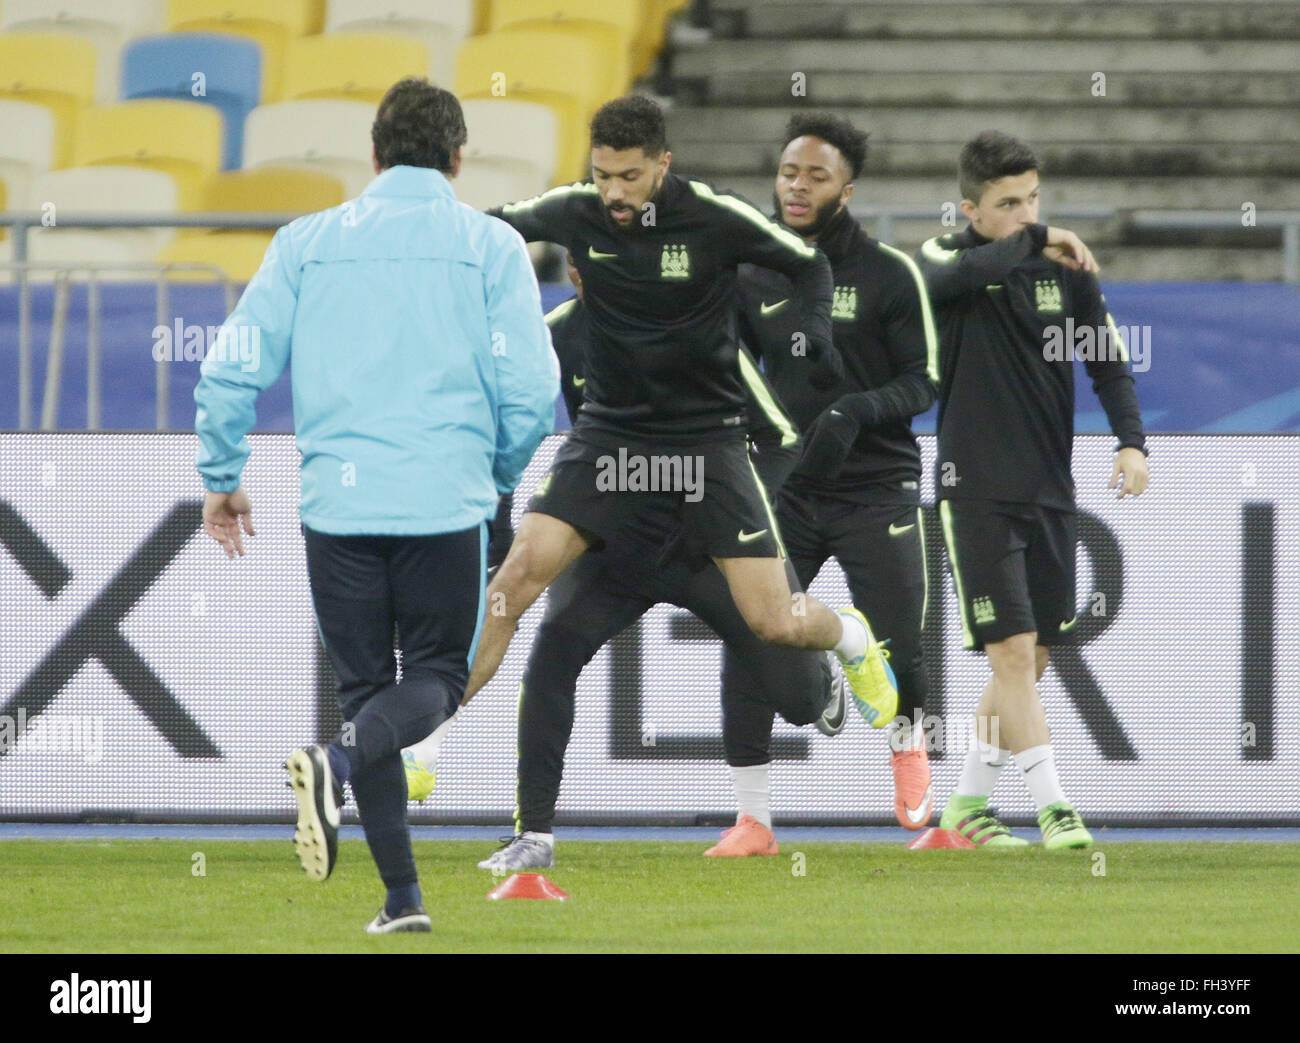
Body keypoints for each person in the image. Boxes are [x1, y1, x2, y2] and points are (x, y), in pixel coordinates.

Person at [194, 78, 558, 930]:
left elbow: (229, 368)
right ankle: (336, 766)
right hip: (443, 502)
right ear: (458, 158)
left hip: (336, 509)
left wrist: (222, 473)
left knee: (367, 694)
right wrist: (496, 475)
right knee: (436, 681)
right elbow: (533, 391)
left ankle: (402, 899)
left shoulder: (306, 241)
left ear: (373, 155)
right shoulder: (491, 245)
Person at [463, 95, 899, 754]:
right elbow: (486, 231)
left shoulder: (714, 216)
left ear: (662, 165)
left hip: (708, 444)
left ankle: (849, 636)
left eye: (629, 177)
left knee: (774, 620)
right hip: (608, 443)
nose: (613, 192)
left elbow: (809, 265)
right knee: (514, 580)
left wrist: (811, 333)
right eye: (603, 174)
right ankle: (421, 738)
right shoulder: (575, 207)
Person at [402, 252, 848, 869]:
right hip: (612, 546)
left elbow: (781, 438)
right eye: (588, 267)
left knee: (799, 702)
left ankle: (841, 642)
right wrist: (499, 525)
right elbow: (505, 427)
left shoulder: (700, 335)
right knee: (552, 649)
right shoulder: (552, 336)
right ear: (577, 276)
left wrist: (735, 520)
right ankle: (533, 833)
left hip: (707, 548)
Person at [712, 112, 939, 853]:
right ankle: (754, 819)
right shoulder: (753, 271)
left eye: (816, 174)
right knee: (749, 636)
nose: (798, 186)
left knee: (903, 644)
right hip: (786, 490)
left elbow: (924, 380)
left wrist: (855, 410)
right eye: (788, 172)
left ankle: (908, 749)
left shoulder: (889, 274)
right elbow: (732, 372)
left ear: (848, 186)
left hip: (878, 488)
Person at [917, 129, 1149, 849]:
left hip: (1050, 488)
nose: (1024, 215)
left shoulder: (1064, 272)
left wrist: (1132, 440)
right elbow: (942, 281)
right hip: (974, 488)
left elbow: (1107, 361)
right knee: (1013, 654)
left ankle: (962, 811)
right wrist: (1045, 235)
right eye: (1008, 203)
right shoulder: (944, 260)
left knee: (1035, 654)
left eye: (1033, 200)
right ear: (969, 210)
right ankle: (1056, 809)